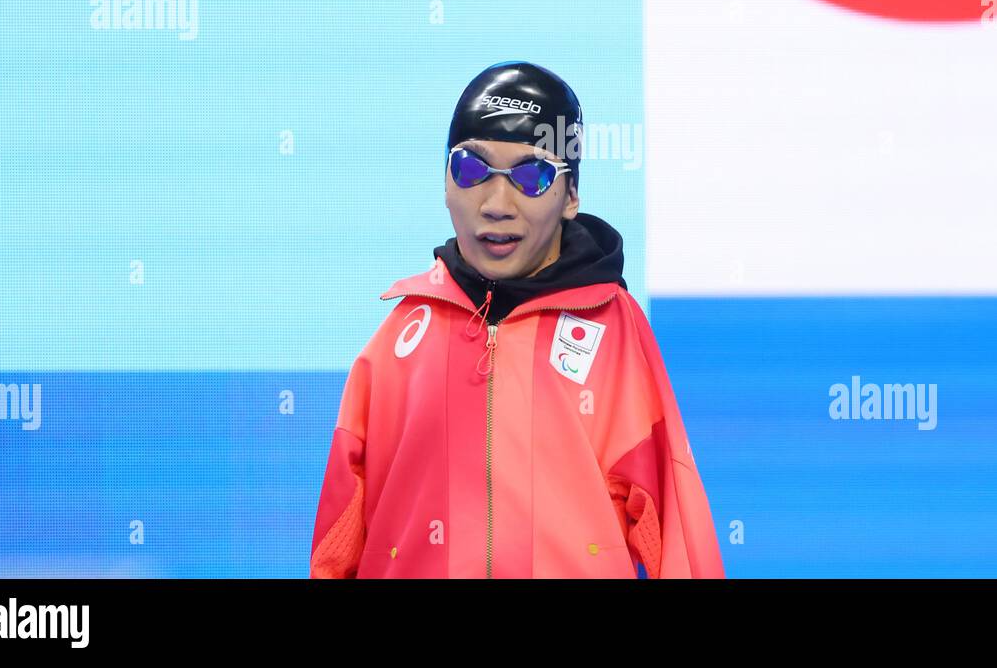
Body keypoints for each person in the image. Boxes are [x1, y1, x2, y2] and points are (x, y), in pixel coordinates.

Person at [309, 61, 724, 578]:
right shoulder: (399, 339)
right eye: (471, 170)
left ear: (571, 195)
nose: (496, 203)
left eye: (531, 176)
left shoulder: (614, 332)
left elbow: (676, 530)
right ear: (444, 184)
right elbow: (338, 542)